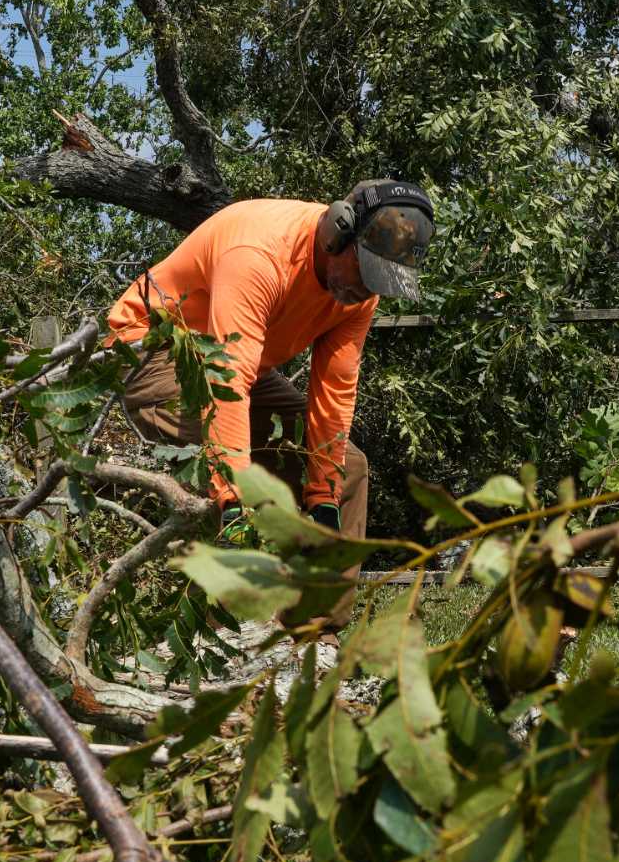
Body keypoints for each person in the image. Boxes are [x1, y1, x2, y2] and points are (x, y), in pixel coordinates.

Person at [106, 180, 435, 627]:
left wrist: (323, 496)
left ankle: (313, 639)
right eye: (364, 271)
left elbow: (334, 395)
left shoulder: (359, 298)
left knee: (347, 473)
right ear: (337, 232)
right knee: (240, 483)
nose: (365, 290)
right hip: (152, 357)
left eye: (379, 279)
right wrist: (233, 497)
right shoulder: (259, 253)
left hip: (236, 364)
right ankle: (221, 641)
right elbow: (228, 381)